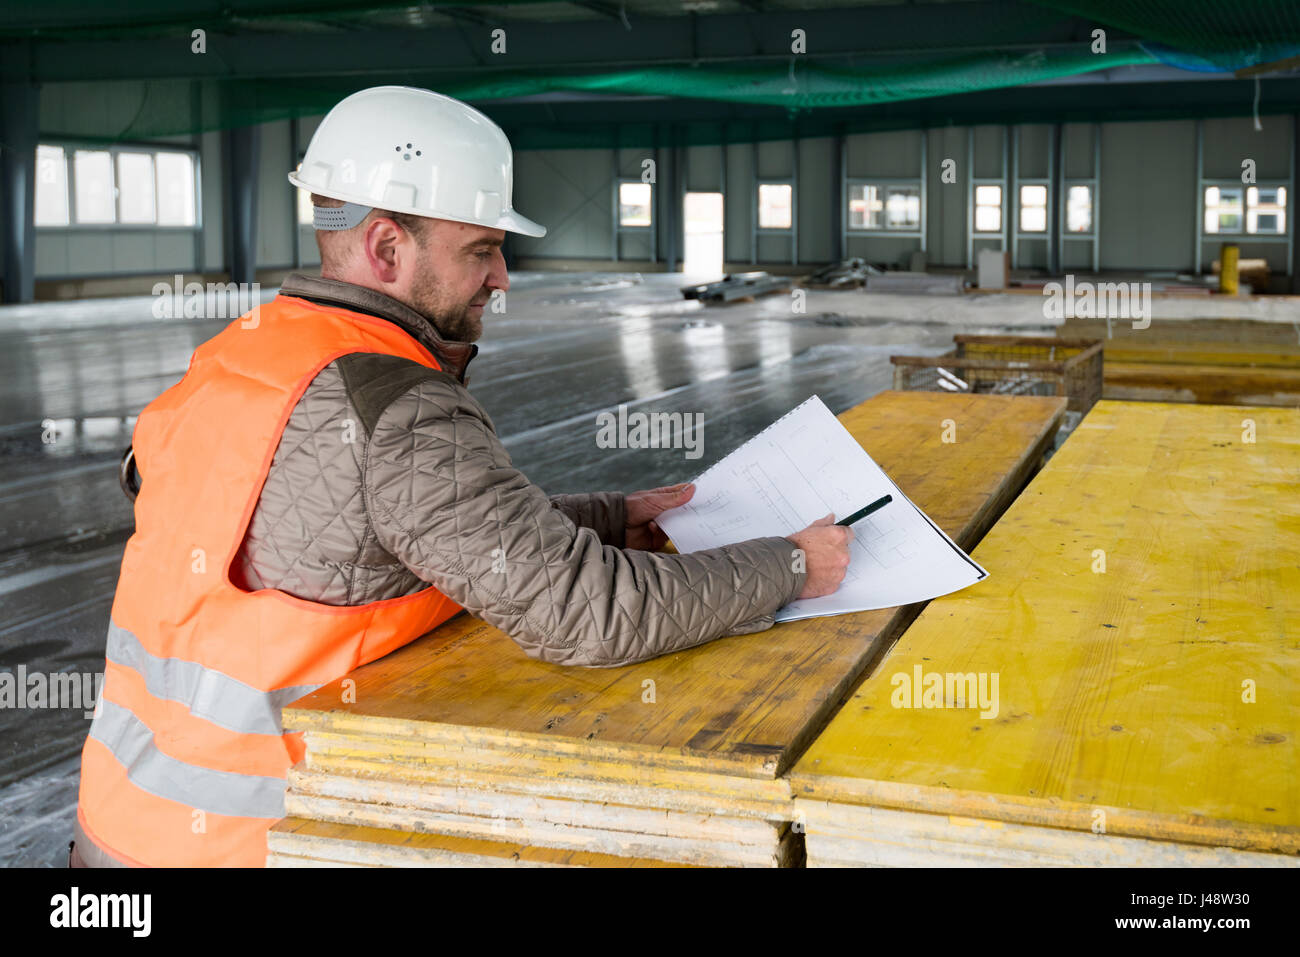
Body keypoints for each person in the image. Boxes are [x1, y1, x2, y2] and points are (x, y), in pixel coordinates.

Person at [70, 86, 852, 867]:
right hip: (258, 840)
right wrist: (790, 564)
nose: (502, 276)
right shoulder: (394, 404)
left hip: (117, 821)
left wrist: (607, 517)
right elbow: (586, 611)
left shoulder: (237, 356)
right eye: (482, 249)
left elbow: (384, 532)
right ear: (386, 247)